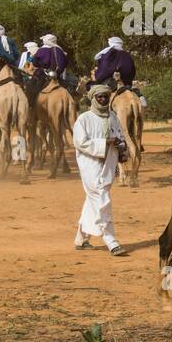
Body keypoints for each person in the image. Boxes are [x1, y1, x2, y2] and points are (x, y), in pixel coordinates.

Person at [72, 84, 128, 256]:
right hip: (90, 164)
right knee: (102, 198)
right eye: (99, 97)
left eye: (105, 96)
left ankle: (81, 238)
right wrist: (105, 142)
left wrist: (122, 149)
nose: (103, 99)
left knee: (93, 200)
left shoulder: (113, 117)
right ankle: (111, 239)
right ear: (93, 98)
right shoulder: (84, 119)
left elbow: (120, 135)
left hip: (109, 164)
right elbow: (80, 143)